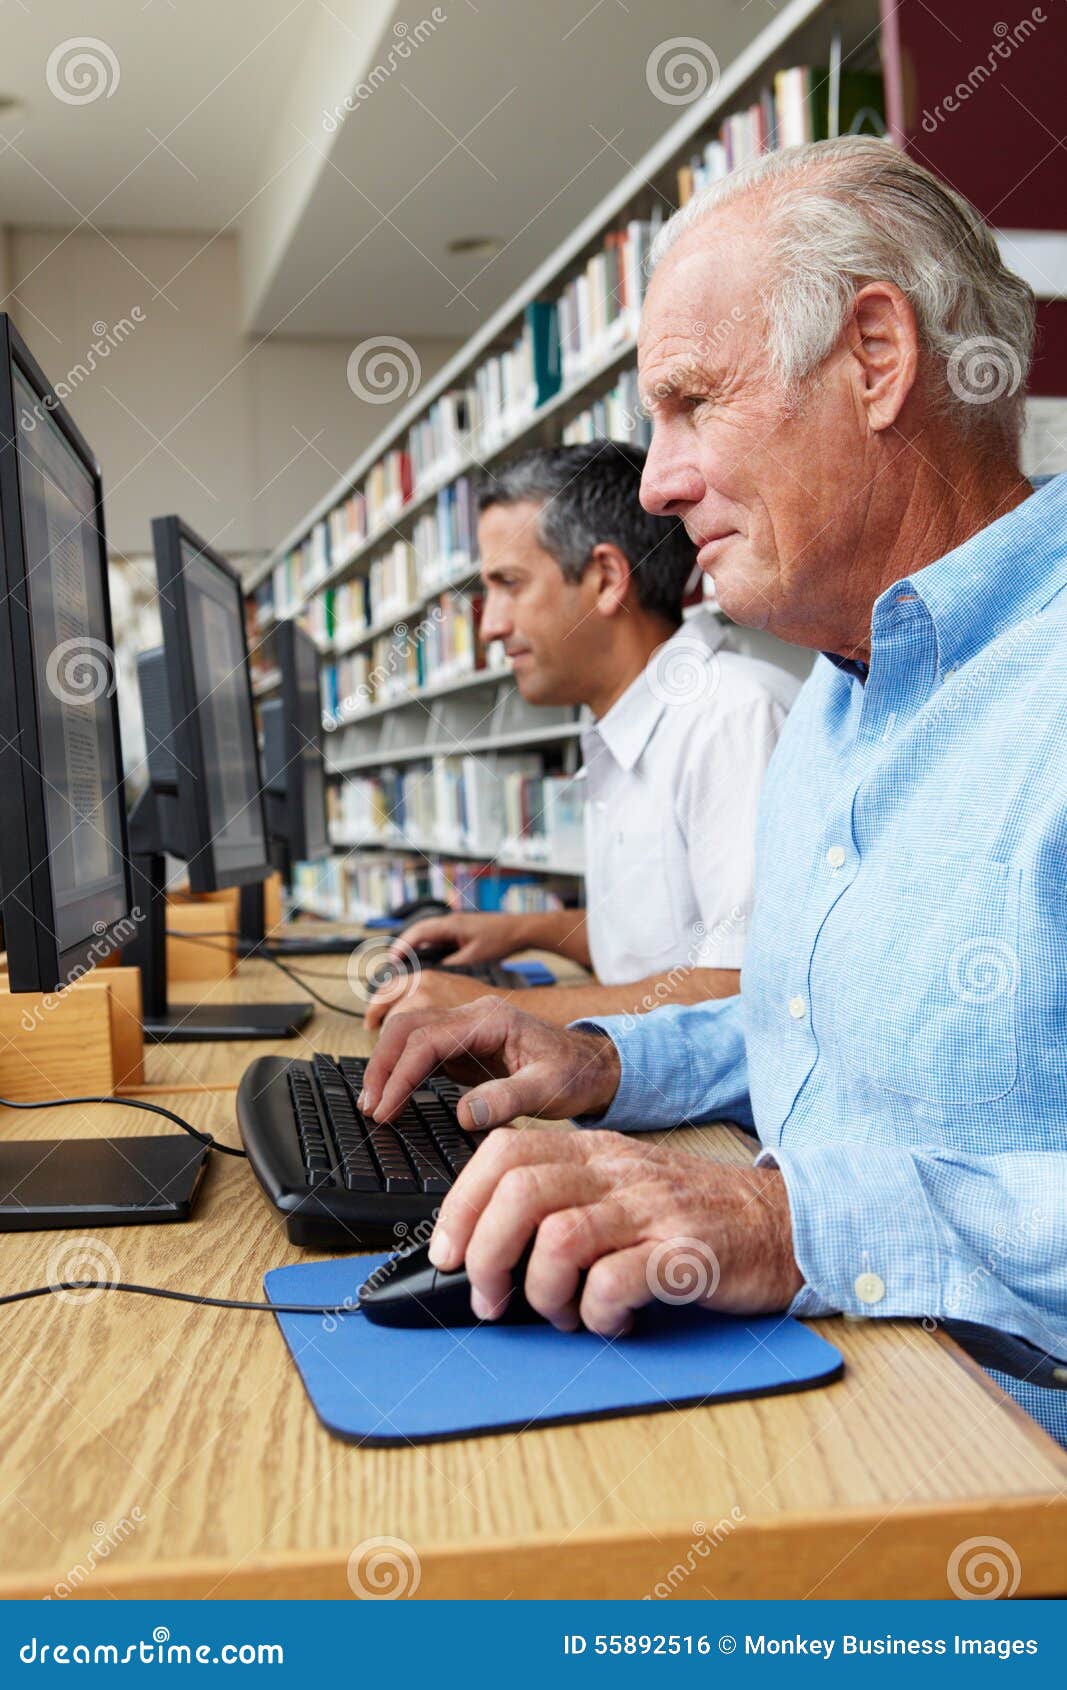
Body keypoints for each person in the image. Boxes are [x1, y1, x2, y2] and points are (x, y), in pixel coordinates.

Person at [359, 136, 1067, 1446]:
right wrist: (602, 1055)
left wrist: (790, 1219)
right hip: (831, 1401)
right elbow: (833, 1028)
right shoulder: (838, 691)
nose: (653, 484)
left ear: (874, 357)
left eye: (691, 402)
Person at [366, 443, 799, 1030]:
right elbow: (657, 941)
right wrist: (520, 930)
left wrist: (492, 1010)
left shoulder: (732, 719)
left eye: (509, 584)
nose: (490, 626)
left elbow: (742, 989)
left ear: (605, 579)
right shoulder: (622, 722)